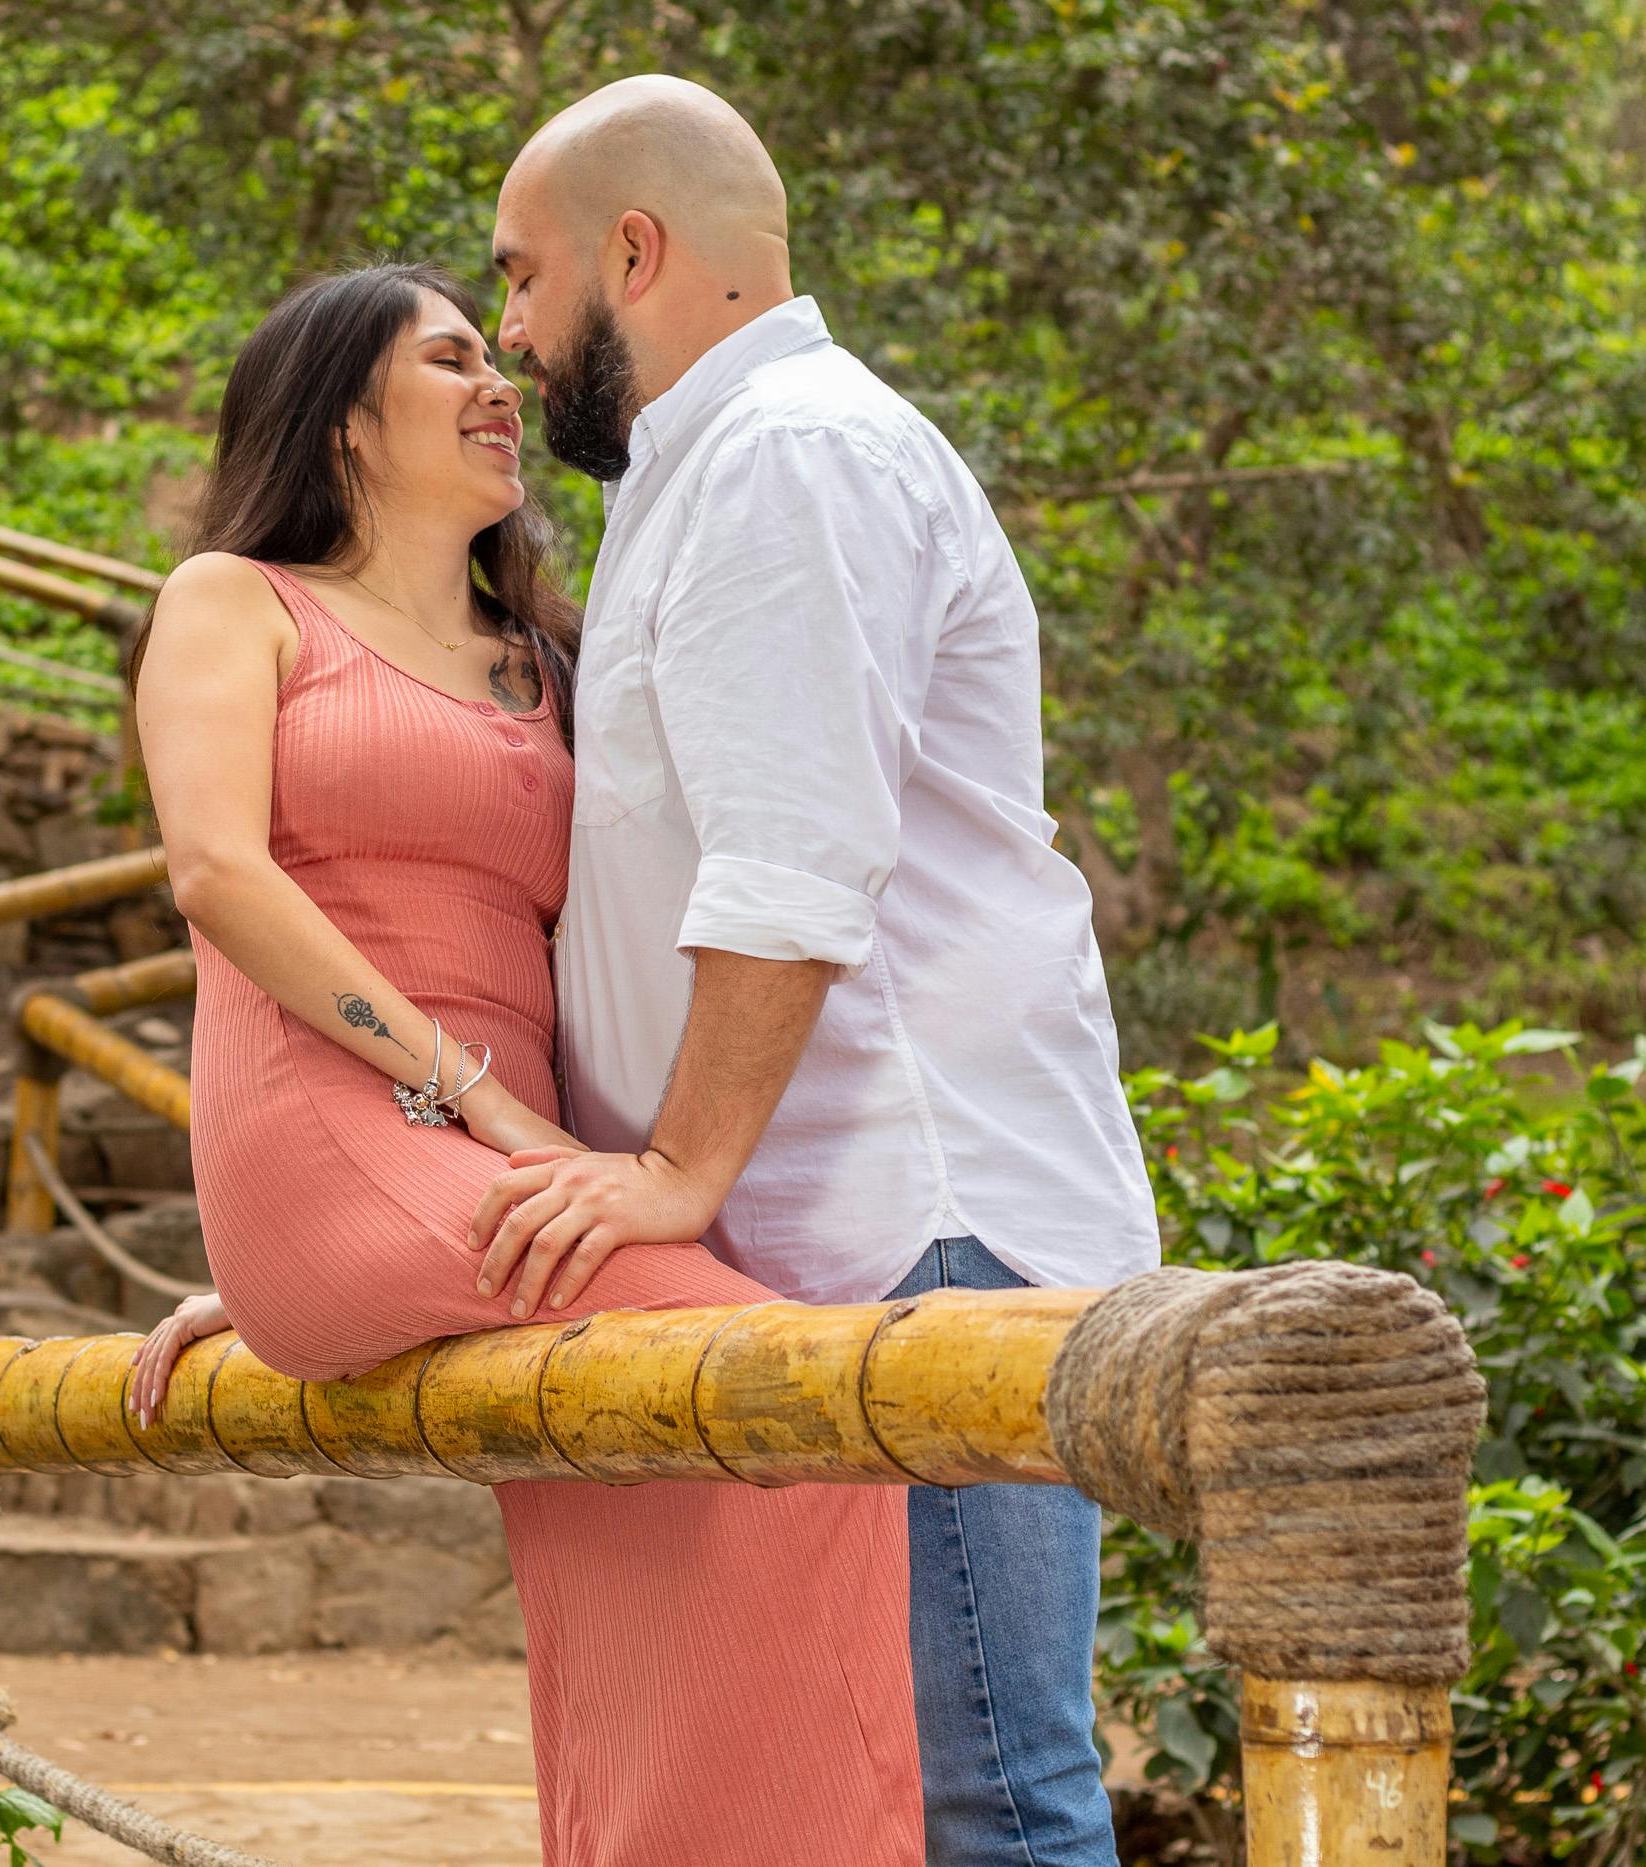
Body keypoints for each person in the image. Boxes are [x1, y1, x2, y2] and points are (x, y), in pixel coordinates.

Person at [121, 261, 923, 1867]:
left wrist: (464, 1193)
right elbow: (218, 876)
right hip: (360, 1141)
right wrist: (408, 1154)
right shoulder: (235, 600)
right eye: (450, 359)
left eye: (498, 355)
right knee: (794, 1402)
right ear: (338, 416)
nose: (503, 385)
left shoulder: (542, 659)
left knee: (637, 1514)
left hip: (486, 1175)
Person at [467, 76, 1166, 1867]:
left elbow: (794, 857)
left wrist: (678, 1169)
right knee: (882, 1799)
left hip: (910, 1227)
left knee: (983, 1797)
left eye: (525, 281)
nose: (515, 340)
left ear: (640, 251)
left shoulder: (791, 455)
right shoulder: (711, 477)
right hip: (824, 1246)